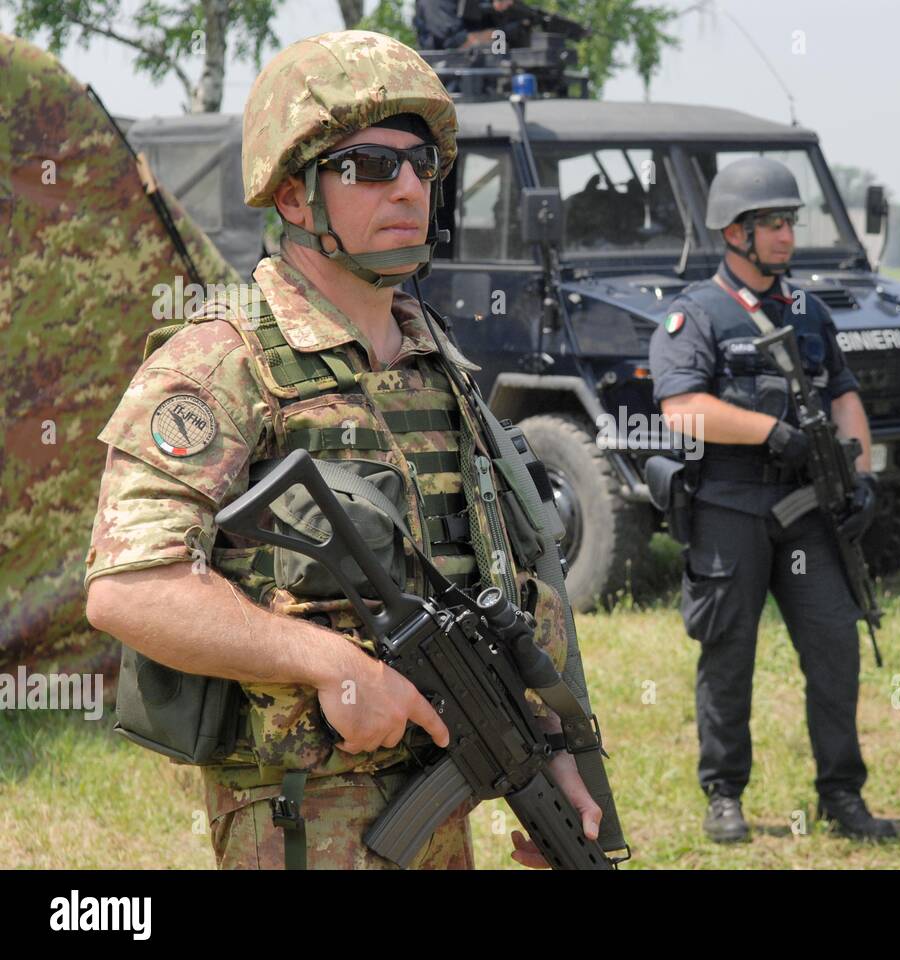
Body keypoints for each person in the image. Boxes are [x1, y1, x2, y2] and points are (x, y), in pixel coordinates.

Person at [84, 30, 602, 869]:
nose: (407, 187)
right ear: (294, 196)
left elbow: (519, 581)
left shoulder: (441, 367)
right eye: (367, 165)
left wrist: (554, 753)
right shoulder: (222, 363)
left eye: (422, 163)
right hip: (303, 820)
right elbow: (130, 589)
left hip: (445, 796)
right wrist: (327, 662)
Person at [648, 157, 896, 843]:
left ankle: (842, 793)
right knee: (728, 652)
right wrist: (772, 433)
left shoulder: (809, 310)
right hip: (731, 508)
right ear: (734, 233)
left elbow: (844, 394)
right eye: (772, 224)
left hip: (810, 510)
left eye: (790, 221)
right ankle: (724, 793)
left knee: (834, 649)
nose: (787, 235)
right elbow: (681, 410)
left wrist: (861, 477)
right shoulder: (695, 314)